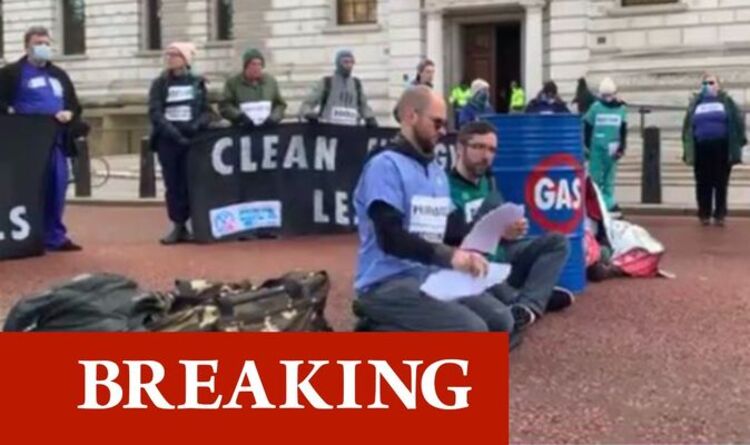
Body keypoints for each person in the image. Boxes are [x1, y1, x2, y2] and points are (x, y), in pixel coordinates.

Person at [351, 86, 514, 334]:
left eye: (445, 124)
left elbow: (450, 228)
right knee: (474, 331)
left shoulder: (436, 171)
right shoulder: (385, 166)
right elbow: (390, 238)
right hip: (387, 281)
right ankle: (379, 324)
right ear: (410, 116)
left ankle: (389, 328)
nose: (443, 131)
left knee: (502, 321)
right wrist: (449, 256)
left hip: (430, 275)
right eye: (436, 123)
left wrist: (484, 243)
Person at [444, 121, 574, 330]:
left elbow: (499, 226)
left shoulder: (488, 181)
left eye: (491, 149)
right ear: (460, 148)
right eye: (478, 147)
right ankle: (531, 298)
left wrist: (513, 227)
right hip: (475, 266)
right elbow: (450, 237)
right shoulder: (444, 186)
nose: (486, 155)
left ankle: (527, 305)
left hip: (504, 255)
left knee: (558, 242)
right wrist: (495, 230)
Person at [0, 26, 83, 251]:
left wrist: (70, 114)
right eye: (38, 43)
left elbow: (74, 104)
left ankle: (54, 236)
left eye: (47, 43)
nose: (44, 47)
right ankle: (28, 236)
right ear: (27, 46)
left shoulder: (59, 74)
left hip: (54, 142)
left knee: (57, 186)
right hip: (25, 145)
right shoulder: (11, 74)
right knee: (28, 190)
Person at [148, 42, 214, 245]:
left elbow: (207, 111)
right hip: (169, 140)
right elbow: (155, 112)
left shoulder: (197, 83)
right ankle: (178, 225)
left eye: (174, 55)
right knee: (173, 184)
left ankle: (196, 224)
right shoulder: (160, 84)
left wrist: (196, 126)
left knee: (192, 183)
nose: (170, 59)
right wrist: (173, 133)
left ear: (185, 59)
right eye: (168, 55)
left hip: (192, 140)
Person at [682, 73, 746, 227]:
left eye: (711, 82)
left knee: (720, 182)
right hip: (701, 147)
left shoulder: (727, 102)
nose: (708, 86)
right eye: (705, 83)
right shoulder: (695, 103)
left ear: (718, 85)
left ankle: (720, 214)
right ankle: (704, 213)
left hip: (721, 147)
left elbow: (737, 120)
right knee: (702, 182)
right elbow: (687, 125)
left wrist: (740, 141)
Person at [584, 77, 628, 215]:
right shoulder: (595, 108)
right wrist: (586, 146)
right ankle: (596, 203)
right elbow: (587, 127)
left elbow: (623, 129)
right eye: (604, 96)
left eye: (609, 95)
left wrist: (622, 147)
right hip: (596, 148)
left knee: (609, 177)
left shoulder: (621, 108)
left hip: (612, 148)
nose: (607, 98)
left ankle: (608, 202)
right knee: (595, 178)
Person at [299, 49, 377, 127]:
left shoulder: (356, 84)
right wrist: (309, 114)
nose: (349, 66)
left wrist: (370, 118)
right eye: (345, 62)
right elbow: (307, 104)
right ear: (338, 63)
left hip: (352, 130)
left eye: (351, 62)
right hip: (330, 129)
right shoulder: (326, 83)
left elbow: (363, 105)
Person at [219, 48, 286, 128]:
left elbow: (280, 105)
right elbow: (225, 105)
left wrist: (273, 118)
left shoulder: (270, 82)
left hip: (267, 130)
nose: (257, 68)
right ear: (245, 66)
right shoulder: (233, 83)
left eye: (260, 64)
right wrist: (240, 117)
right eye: (253, 64)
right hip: (242, 130)